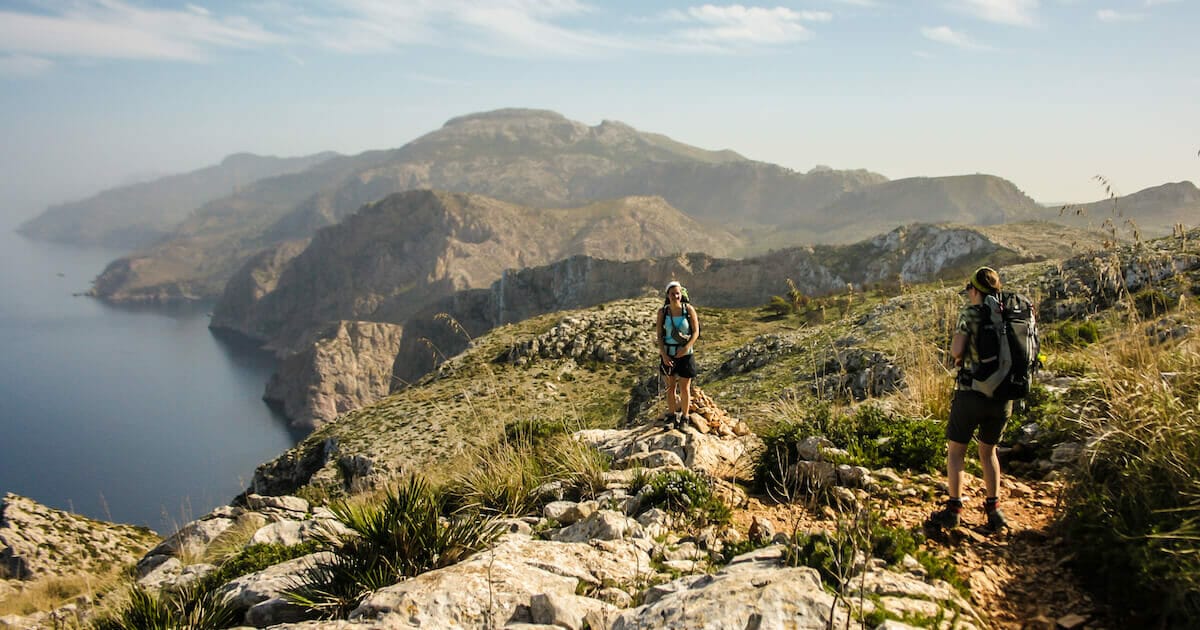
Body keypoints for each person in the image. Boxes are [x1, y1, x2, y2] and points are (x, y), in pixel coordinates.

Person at [927, 266, 1010, 534]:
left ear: (974, 289)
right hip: (1004, 397)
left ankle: (954, 511)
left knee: (956, 451)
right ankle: (994, 511)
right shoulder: (1013, 312)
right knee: (989, 452)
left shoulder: (970, 314)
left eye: (968, 289)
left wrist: (961, 355)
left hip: (971, 393)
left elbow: (956, 351)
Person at [656, 281, 699, 430]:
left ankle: (685, 417)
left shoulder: (689, 310)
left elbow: (695, 332)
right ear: (668, 295)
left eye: (678, 293)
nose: (676, 296)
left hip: (685, 355)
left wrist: (686, 347)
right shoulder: (663, 312)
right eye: (673, 293)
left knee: (685, 388)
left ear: (682, 294)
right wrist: (664, 355)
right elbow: (660, 336)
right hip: (668, 354)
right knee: (670, 387)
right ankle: (672, 416)